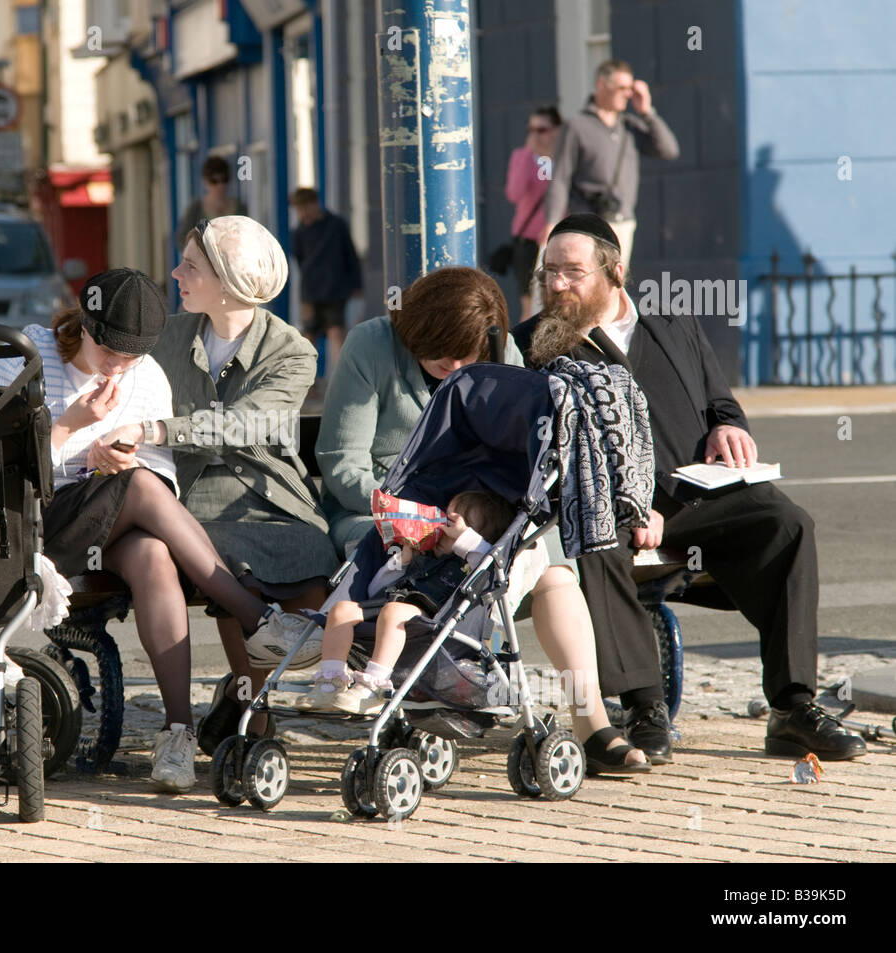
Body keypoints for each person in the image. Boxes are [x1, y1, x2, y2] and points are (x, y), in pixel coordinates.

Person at [512, 213, 866, 764]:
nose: (556, 284)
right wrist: (630, 508)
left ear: (615, 272)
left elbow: (721, 402)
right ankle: (644, 706)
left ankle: (793, 707)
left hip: (695, 501)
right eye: (549, 271)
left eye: (572, 272)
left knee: (788, 523)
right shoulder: (531, 346)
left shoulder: (674, 324)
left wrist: (730, 426)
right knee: (595, 536)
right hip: (602, 507)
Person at [0, 267, 313, 794]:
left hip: (109, 527)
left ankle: (176, 733)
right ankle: (258, 617)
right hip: (33, 525)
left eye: (130, 356)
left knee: (154, 552)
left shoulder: (148, 375)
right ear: (82, 324)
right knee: (135, 485)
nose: (118, 366)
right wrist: (69, 430)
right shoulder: (26, 356)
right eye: (108, 349)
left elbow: (162, 478)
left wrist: (111, 461)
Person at [317, 266, 648, 771]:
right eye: (441, 353)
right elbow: (342, 463)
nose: (453, 365)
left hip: (482, 513)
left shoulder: (501, 354)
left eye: (465, 356)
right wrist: (406, 511)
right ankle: (459, 676)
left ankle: (591, 719)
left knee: (555, 569)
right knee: (497, 567)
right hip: (383, 512)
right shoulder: (370, 346)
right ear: (413, 333)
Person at [137, 215, 339, 755]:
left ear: (228, 285)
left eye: (191, 266)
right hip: (192, 491)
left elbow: (248, 424)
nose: (176, 273)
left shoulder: (293, 351)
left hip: (270, 492)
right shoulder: (166, 337)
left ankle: (242, 693)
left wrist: (160, 429)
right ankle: (255, 714)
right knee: (237, 574)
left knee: (311, 578)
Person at [298, 491, 549, 714]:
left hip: (435, 615)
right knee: (341, 610)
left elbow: (489, 563)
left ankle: (373, 685)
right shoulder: (425, 555)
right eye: (445, 518)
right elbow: (375, 590)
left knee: (393, 611)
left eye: (458, 524)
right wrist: (402, 561)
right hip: (391, 605)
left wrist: (464, 539)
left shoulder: (473, 562)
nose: (446, 527)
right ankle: (330, 682)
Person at [541, 59, 679, 269]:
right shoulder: (577, 126)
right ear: (602, 85)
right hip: (587, 223)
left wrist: (647, 111)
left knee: (615, 286)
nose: (627, 94)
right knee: (587, 282)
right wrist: (551, 222)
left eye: (630, 89)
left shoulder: (629, 127)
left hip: (622, 222)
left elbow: (669, 150)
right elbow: (560, 177)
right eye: (622, 88)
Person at [289, 187, 363, 379]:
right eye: (299, 210)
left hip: (335, 290)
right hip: (310, 292)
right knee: (308, 337)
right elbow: (298, 258)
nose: (303, 214)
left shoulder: (336, 226)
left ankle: (338, 380)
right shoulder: (299, 232)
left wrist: (356, 284)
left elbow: (350, 255)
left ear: (316, 204)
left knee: (335, 333)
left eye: (305, 208)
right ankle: (306, 382)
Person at [504, 106, 561, 320]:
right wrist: (528, 154)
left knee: (557, 304)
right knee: (529, 308)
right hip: (528, 241)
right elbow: (514, 193)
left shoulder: (563, 158)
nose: (536, 135)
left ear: (556, 130)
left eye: (542, 130)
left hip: (556, 237)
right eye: (531, 130)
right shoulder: (523, 157)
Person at [174, 156, 248, 264]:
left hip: (235, 264)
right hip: (205, 266)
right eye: (214, 181)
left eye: (224, 180)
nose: (220, 185)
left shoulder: (241, 208)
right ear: (205, 182)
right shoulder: (196, 209)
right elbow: (182, 240)